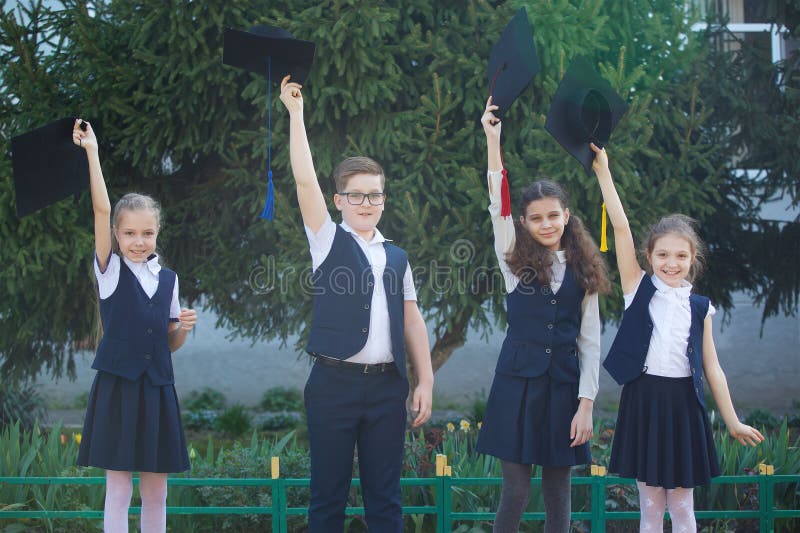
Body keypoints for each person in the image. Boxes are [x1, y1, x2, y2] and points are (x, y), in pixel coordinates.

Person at [278, 76, 434, 532]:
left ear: (384, 200)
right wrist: (296, 115)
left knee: (385, 502)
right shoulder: (326, 241)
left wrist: (424, 379)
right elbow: (303, 179)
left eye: (375, 194)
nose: (367, 202)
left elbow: (412, 320)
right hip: (332, 387)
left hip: (387, 389)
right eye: (357, 195)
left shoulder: (397, 256)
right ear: (339, 200)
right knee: (327, 499)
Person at [592, 142, 764, 532]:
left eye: (681, 256)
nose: (671, 263)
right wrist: (603, 171)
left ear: (692, 260)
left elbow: (712, 366)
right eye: (663, 255)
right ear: (649, 257)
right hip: (645, 401)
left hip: (685, 405)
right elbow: (620, 227)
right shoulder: (637, 288)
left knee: (683, 507)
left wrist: (733, 420)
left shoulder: (700, 306)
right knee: (651, 506)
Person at [476, 98, 611, 533]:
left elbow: (590, 341)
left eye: (554, 215)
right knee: (514, 492)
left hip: (564, 391)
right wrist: (493, 141)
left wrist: (586, 405)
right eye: (537, 218)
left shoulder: (584, 270)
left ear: (567, 216)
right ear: (525, 223)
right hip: (516, 388)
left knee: (558, 495)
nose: (547, 223)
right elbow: (497, 203)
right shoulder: (512, 257)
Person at [73, 119, 197, 533]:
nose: (139, 241)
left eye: (147, 233)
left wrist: (182, 328)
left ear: (157, 233)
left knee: (157, 490)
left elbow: (171, 343)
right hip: (119, 387)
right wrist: (92, 151)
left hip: (158, 387)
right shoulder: (109, 270)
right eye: (129, 233)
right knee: (119, 487)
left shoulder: (169, 279)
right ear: (116, 235)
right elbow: (101, 207)